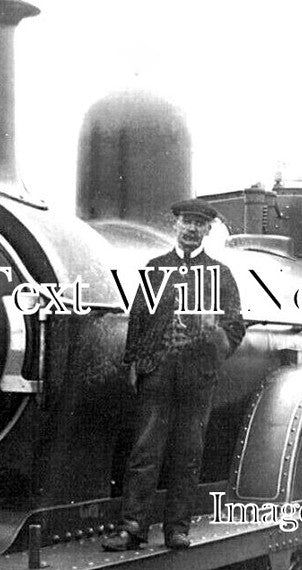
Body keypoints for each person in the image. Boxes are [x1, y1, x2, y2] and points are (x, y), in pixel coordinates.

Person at [103, 199, 245, 551]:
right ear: (176, 225)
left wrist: (215, 337)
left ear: (208, 230)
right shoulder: (154, 269)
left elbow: (236, 327)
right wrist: (134, 363)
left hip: (198, 376)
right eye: (187, 222)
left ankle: (177, 530)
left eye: (199, 223)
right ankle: (132, 527)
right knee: (145, 451)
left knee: (188, 453)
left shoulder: (221, 275)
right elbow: (138, 319)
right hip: (157, 372)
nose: (192, 229)